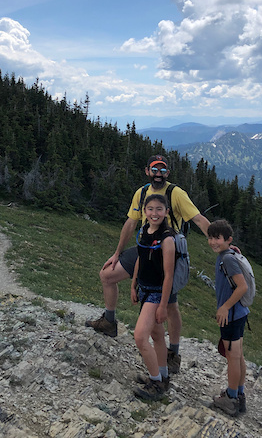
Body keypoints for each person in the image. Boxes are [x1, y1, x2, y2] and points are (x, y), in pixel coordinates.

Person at [86, 155, 210, 374]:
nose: (159, 174)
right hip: (144, 249)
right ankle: (109, 321)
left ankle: (173, 353)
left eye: (162, 170)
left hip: (166, 254)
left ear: (168, 173)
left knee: (170, 307)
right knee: (107, 275)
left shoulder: (176, 194)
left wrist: (223, 244)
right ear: (147, 171)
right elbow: (131, 222)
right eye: (155, 170)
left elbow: (199, 219)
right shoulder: (141, 193)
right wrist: (117, 253)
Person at [130, 193, 175, 400]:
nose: (154, 213)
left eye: (159, 209)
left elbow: (168, 275)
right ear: (145, 211)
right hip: (144, 289)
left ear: (166, 212)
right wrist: (133, 284)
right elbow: (140, 258)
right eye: (150, 209)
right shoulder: (143, 231)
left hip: (156, 293)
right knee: (157, 336)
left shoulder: (167, 239)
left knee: (140, 337)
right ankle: (163, 377)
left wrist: (163, 305)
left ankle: (155, 382)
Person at [207, 219, 249, 417]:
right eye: (211, 238)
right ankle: (239, 395)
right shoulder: (229, 253)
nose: (213, 242)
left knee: (232, 356)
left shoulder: (228, 259)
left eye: (218, 238)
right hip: (240, 314)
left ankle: (231, 399)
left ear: (228, 239)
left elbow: (242, 287)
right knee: (238, 355)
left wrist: (224, 307)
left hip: (231, 315)